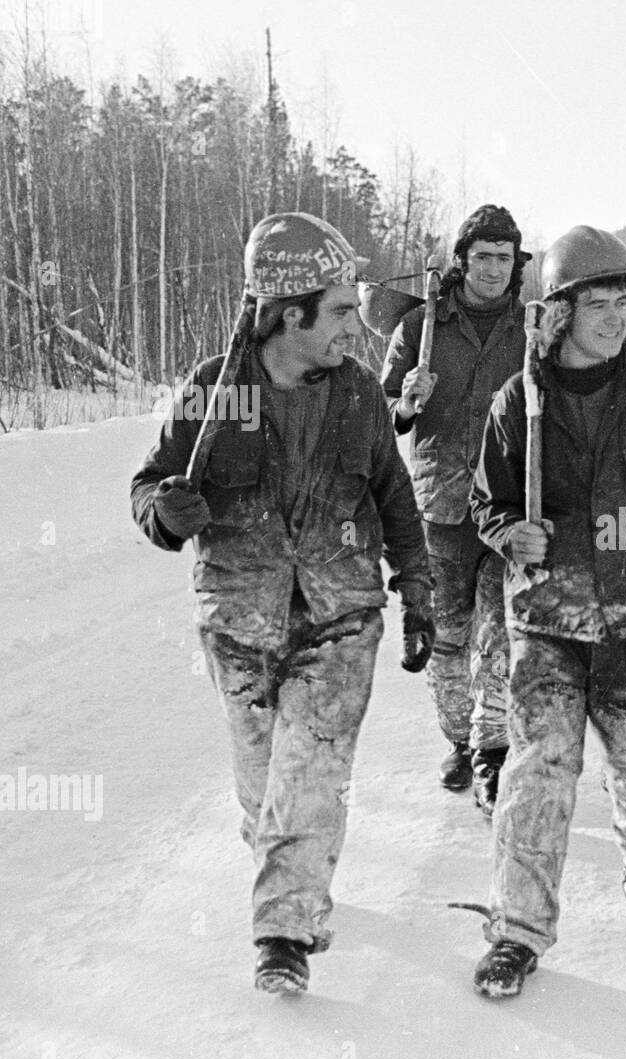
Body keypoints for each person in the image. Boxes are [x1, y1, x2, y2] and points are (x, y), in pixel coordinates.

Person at [130, 212, 433, 994]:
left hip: (340, 617)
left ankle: (283, 934)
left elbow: (395, 498)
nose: (354, 328)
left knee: (310, 775)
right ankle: (287, 866)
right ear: (289, 312)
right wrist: (165, 514)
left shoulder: (361, 395)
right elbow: (148, 485)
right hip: (240, 623)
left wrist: (419, 592)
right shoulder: (213, 392)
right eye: (338, 310)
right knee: (264, 784)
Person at [466, 226, 626, 998]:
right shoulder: (520, 401)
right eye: (598, 305)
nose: (615, 318)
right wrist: (511, 530)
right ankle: (517, 928)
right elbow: (486, 499)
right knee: (537, 774)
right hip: (546, 622)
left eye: (622, 302)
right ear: (559, 315)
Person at [380, 206, 530, 814]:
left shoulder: (531, 329)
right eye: (483, 257)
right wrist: (409, 404)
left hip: (506, 505)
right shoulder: (420, 327)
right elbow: (384, 412)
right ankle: (458, 740)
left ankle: (492, 751)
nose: (493, 270)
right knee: (448, 638)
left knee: (498, 638)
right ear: (462, 261)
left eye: (504, 258)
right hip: (438, 504)